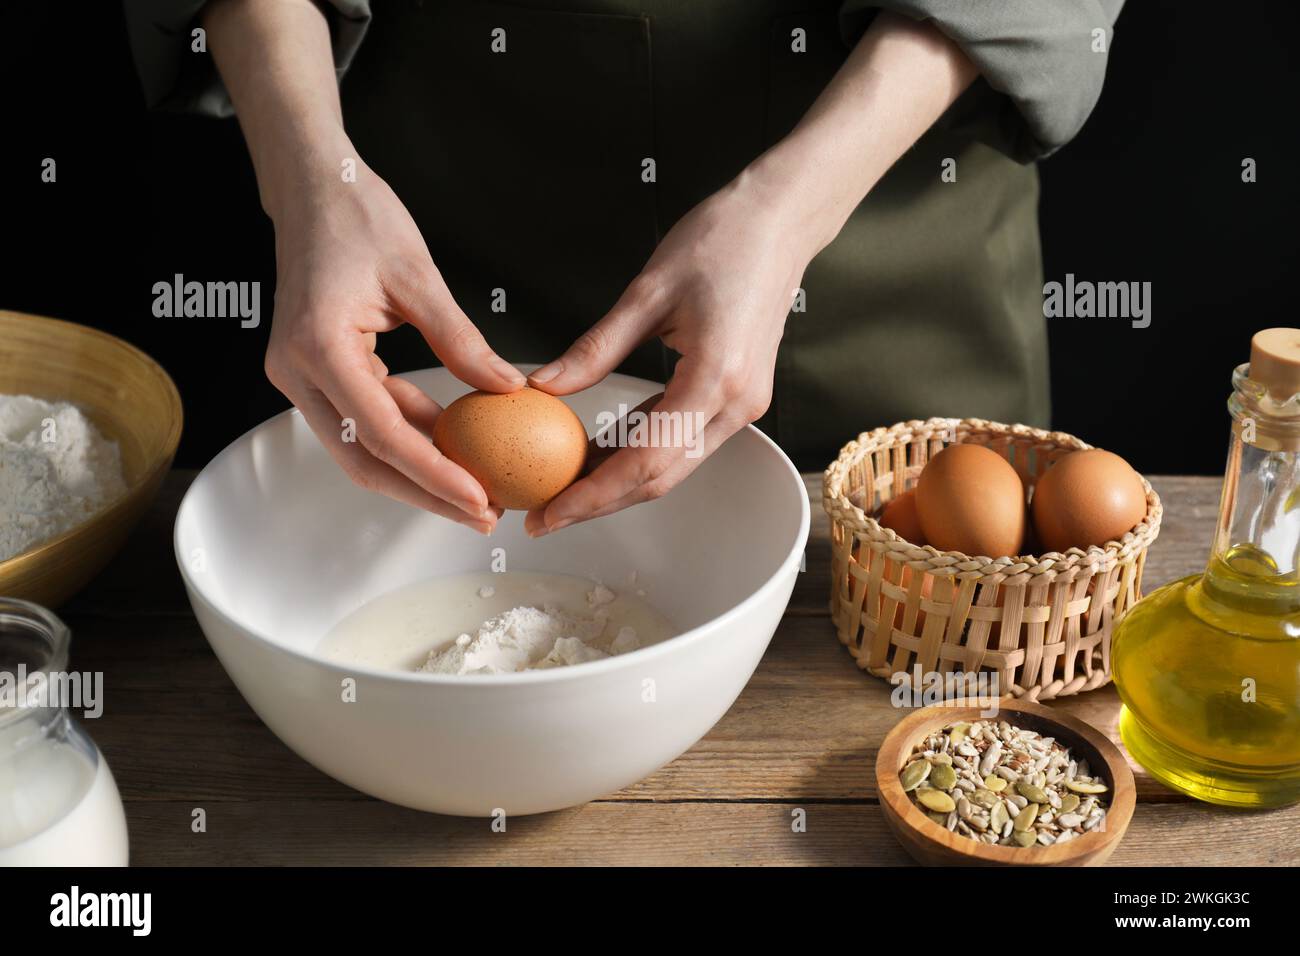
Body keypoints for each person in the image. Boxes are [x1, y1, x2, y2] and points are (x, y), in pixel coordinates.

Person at [126, 0, 1123, 536]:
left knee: (917, 606)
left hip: (887, 239)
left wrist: (786, 212)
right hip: (445, 229)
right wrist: (310, 179)